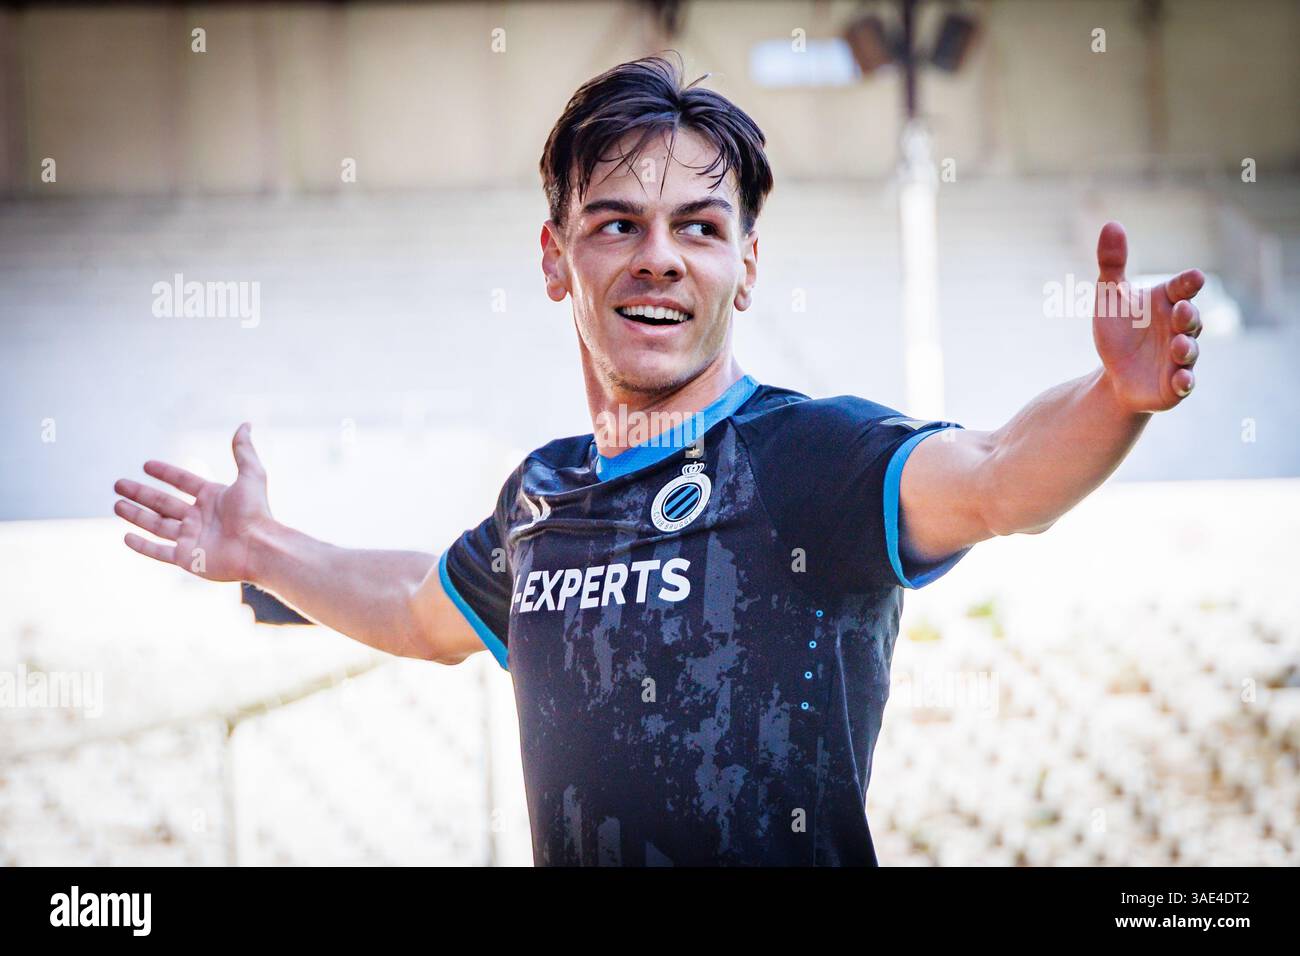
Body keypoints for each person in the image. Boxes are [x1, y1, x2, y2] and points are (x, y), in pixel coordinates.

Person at [113, 54, 1204, 866]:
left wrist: (1115, 398)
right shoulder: (542, 497)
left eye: (699, 226)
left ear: (746, 262)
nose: (659, 259)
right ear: (555, 257)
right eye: (616, 223)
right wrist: (260, 545)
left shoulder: (808, 458)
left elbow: (1003, 475)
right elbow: (414, 603)